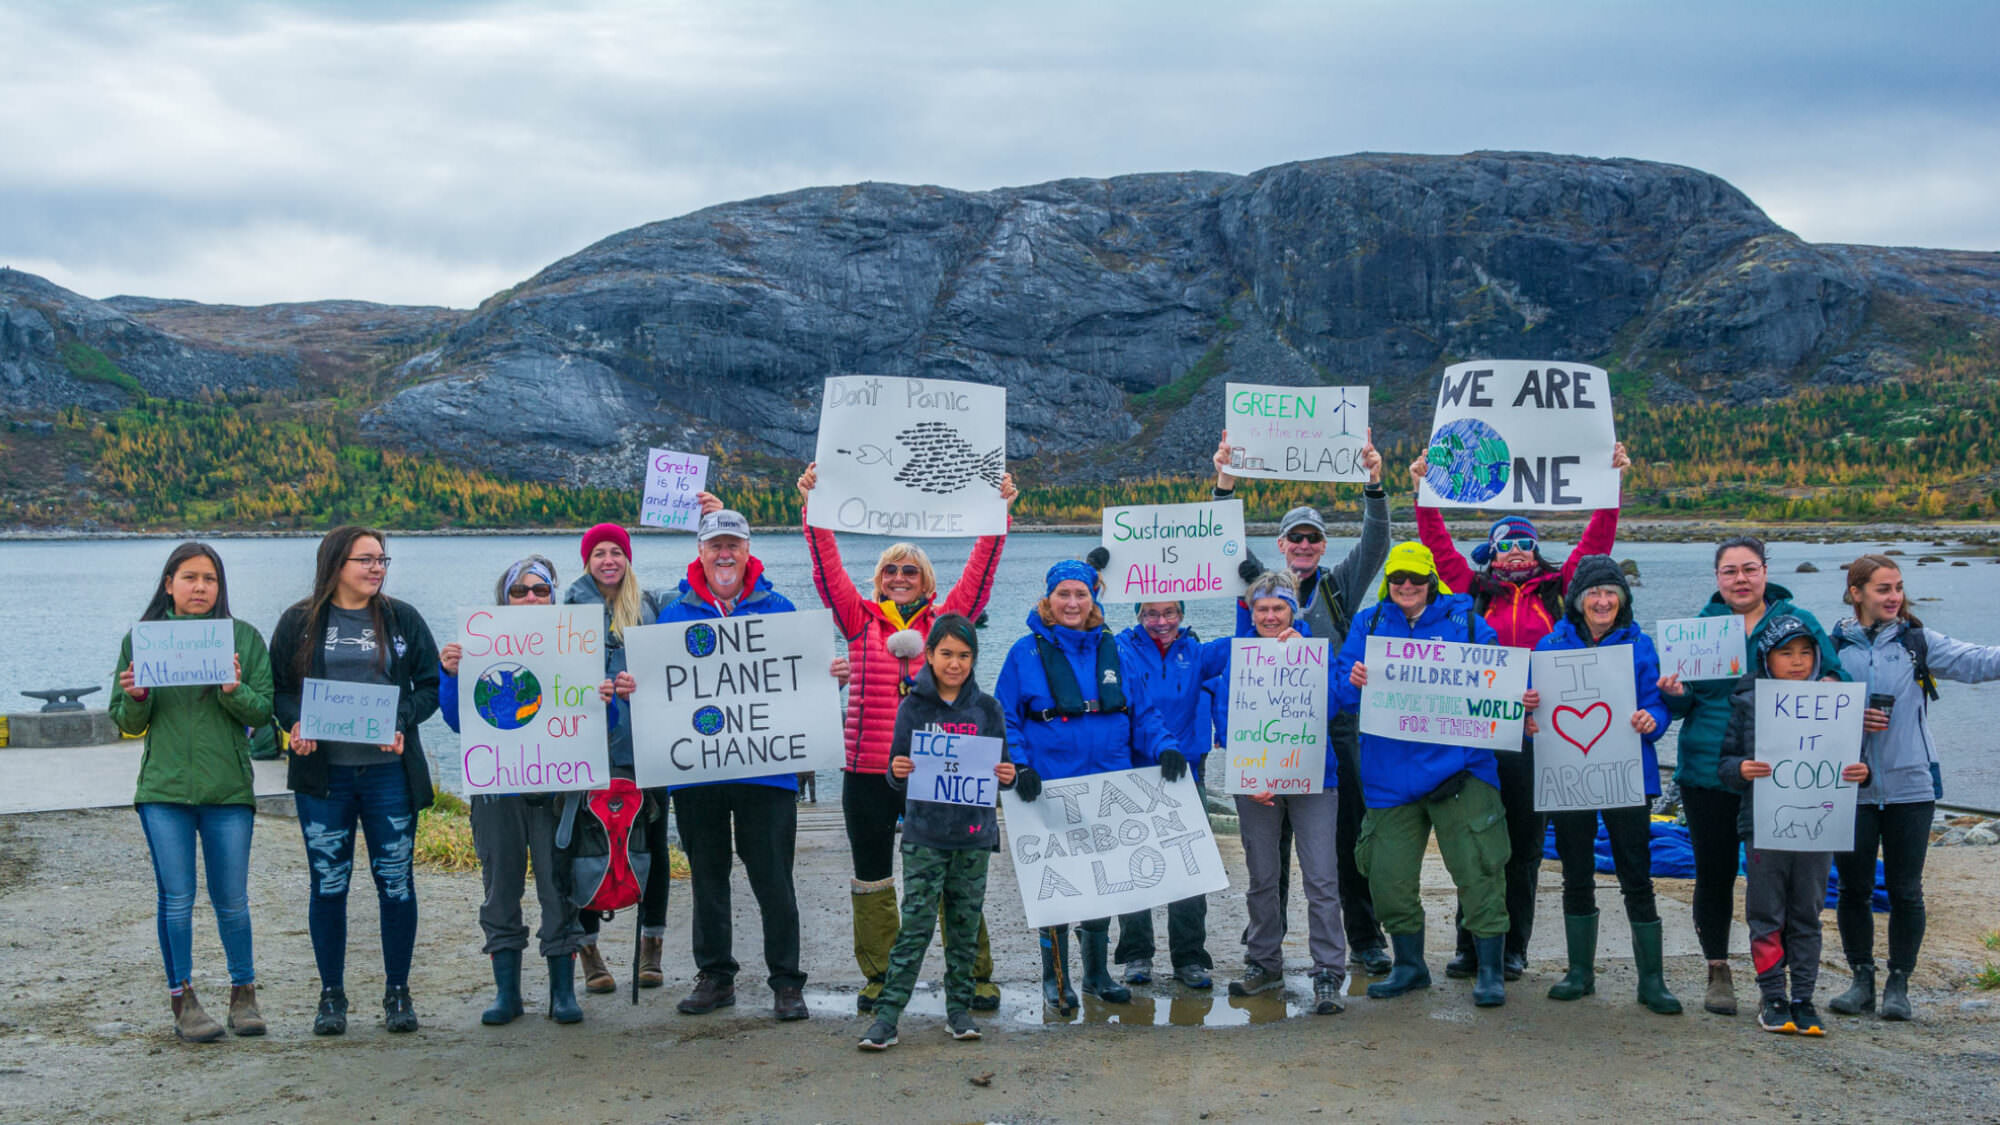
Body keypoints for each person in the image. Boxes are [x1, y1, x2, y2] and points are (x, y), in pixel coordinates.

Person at [798, 462, 1015, 1013]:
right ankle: (881, 978)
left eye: (911, 571)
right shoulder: (857, 619)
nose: (900, 576)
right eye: (891, 569)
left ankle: (973, 975)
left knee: (953, 874)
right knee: (872, 877)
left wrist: (998, 512)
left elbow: (982, 571)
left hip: (942, 771)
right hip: (868, 770)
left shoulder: (949, 622)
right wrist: (813, 509)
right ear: (878, 578)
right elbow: (825, 569)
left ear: (928, 582)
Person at [1410, 443, 1630, 981]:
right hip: (1481, 733)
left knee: (1526, 848)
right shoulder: (1470, 592)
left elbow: (1595, 544)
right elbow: (1437, 549)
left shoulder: (1559, 590)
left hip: (1538, 734)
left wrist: (1611, 486)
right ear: (1490, 552)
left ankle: (1513, 948)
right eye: (1505, 545)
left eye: (1524, 545)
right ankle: (1470, 943)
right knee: (1477, 839)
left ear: (1536, 553)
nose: (1515, 553)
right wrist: (1422, 491)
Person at [1216, 429, 1392, 974]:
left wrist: (1374, 484)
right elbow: (1223, 542)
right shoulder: (1257, 590)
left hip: (1334, 726)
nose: (1305, 545)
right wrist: (1224, 482)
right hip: (1265, 731)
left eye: (1313, 538)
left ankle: (1363, 937)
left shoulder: (1339, 586)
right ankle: (1266, 947)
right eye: (1296, 537)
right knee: (1269, 850)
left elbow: (1377, 544)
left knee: (1343, 839)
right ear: (1282, 544)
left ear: (1322, 545)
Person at [1333, 543, 1523, 1007]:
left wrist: (1523, 701)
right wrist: (1352, 681)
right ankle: (1409, 965)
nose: (1407, 586)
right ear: (1388, 581)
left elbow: (1502, 687)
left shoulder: (1470, 624)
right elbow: (1339, 695)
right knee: (1387, 875)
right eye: (1398, 578)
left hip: (1462, 770)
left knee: (1480, 871)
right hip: (1389, 773)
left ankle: (1491, 969)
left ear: (1432, 580)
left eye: (1416, 578)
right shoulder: (1370, 624)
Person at [1660, 535, 1842, 1017]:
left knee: (1784, 885)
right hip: (1709, 769)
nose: (1740, 579)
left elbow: (1835, 678)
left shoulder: (1799, 624)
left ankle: (1783, 988)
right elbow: (1681, 707)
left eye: (1749, 569)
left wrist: (1830, 686)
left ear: (1764, 572)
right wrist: (1674, 693)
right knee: (1714, 874)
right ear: (1717, 578)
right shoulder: (1700, 629)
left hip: (1783, 772)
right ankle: (1718, 969)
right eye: (1730, 571)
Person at [270, 526, 441, 1036]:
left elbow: (428, 685)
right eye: (365, 560)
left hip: (389, 775)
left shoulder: (401, 618)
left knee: (395, 884)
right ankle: (331, 996)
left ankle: (398, 992)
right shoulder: (299, 622)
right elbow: (279, 690)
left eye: (382, 559)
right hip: (325, 780)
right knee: (328, 885)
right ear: (335, 563)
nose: (376, 568)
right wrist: (293, 724)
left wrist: (401, 720)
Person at [661, 506, 830, 1022]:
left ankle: (786, 981)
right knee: (707, 876)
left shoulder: (780, 609)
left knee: (773, 878)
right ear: (701, 554)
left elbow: (802, 679)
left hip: (768, 771)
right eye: (715, 545)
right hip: (698, 772)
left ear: (748, 551)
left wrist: (829, 675)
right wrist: (634, 688)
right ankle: (716, 976)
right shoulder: (674, 613)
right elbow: (661, 688)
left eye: (733, 544)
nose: (725, 554)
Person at [997, 559, 1185, 1013]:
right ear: (1048, 599)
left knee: (1103, 883)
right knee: (1059, 886)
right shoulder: (1025, 652)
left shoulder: (1115, 651)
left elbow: (1143, 715)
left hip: (1108, 783)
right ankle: (1056, 980)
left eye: (1081, 595)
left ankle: (1097, 975)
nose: (1073, 603)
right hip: (1050, 786)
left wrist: (1165, 748)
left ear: (1093, 599)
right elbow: (1004, 718)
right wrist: (1019, 765)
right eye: (1063, 594)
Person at [111, 542, 275, 1043]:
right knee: (176, 899)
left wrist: (233, 690)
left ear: (220, 586)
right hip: (163, 791)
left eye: (209, 578)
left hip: (227, 790)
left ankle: (243, 994)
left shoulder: (243, 639)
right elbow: (125, 719)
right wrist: (136, 697)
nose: (200, 586)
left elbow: (262, 713)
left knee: (232, 900)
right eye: (189, 577)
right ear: (168, 584)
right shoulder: (142, 640)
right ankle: (183, 999)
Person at [1827, 554, 2000, 1021]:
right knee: (1853, 888)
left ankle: (1898, 983)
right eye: (1884, 589)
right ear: (1856, 592)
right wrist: (1849, 717)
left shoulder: (1917, 642)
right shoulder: (1831, 646)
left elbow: (1977, 661)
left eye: (1898, 587)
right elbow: (1800, 703)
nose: (1894, 597)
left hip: (1912, 785)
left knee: (1906, 890)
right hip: (1852, 788)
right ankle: (1861, 979)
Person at [1523, 556, 1680, 1014]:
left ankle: (1652, 981)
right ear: (1577, 600)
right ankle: (1580, 972)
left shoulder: (1642, 645)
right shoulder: (1549, 647)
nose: (1603, 600)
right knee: (1576, 872)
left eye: (1612, 592)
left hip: (1629, 776)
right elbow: (1532, 712)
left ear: (1623, 599)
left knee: (1637, 873)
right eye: (1593, 592)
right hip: (1569, 776)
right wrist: (1528, 714)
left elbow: (1658, 703)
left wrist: (1655, 718)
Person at [439, 555, 588, 1026]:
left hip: (557, 794)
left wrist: (609, 698)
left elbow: (598, 723)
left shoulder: (575, 647)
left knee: (558, 889)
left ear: (553, 596)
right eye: (519, 591)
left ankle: (562, 993)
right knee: (498, 891)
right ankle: (508, 993)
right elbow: (459, 721)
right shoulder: (480, 648)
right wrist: (450, 676)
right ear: (503, 598)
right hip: (497, 792)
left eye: (540, 590)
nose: (530, 598)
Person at [857, 615, 1017, 1049]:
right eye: (946, 653)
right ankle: (888, 1017)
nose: (955, 663)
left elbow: (1001, 772)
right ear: (928, 655)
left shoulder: (989, 709)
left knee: (964, 932)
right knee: (916, 928)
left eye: (964, 656)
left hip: (974, 838)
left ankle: (959, 1010)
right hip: (924, 837)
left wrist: (1008, 775)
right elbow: (896, 774)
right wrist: (897, 770)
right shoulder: (913, 708)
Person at [1717, 616, 1872, 1036]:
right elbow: (1725, 764)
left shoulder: (1837, 704)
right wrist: (1741, 769)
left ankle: (1804, 998)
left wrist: (1863, 774)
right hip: (1763, 825)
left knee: (1807, 914)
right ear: (1767, 658)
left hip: (1820, 833)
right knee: (1766, 914)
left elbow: (1854, 763)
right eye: (1786, 652)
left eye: (1806, 652)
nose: (1798, 661)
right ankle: (1772, 997)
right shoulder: (1748, 701)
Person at [1204, 571, 1349, 1014]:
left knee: (1321, 878)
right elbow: (1226, 717)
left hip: (1314, 778)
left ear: (1292, 610)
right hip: (1258, 783)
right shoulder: (1238, 654)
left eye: (1278, 608)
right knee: (1262, 877)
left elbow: (1336, 703)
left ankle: (1328, 970)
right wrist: (1253, 773)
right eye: (1262, 608)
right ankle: (1264, 962)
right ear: (1251, 612)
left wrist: (1310, 665)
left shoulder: (1313, 652)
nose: (1270, 616)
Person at [562, 523, 669, 996]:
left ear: (628, 558)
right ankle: (589, 950)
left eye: (617, 552)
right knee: (587, 846)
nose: (609, 560)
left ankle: (652, 945)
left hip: (647, 747)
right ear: (587, 560)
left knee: (654, 843)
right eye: (600, 553)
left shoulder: (651, 604)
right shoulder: (566, 609)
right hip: (589, 748)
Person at [1112, 599, 1223, 988]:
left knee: (1190, 869)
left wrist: (1247, 587)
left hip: (1185, 772)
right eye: (1151, 614)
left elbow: (1252, 639)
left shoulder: (1197, 652)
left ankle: (1190, 957)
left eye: (1169, 613)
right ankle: (1136, 954)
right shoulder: (1118, 649)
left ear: (1183, 615)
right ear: (1138, 616)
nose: (1161, 622)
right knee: (1134, 867)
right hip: (1133, 770)